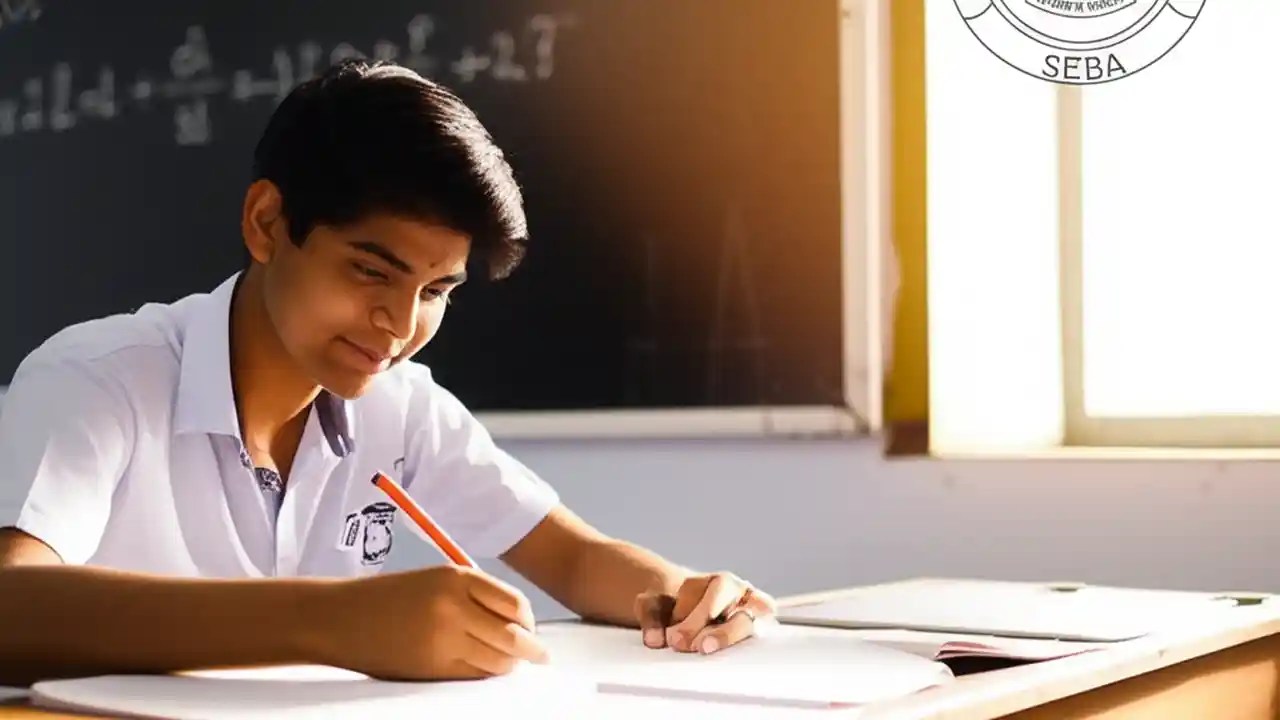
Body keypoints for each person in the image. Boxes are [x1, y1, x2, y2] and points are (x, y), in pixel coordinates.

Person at [0, 59, 776, 687]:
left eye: (436, 291)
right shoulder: (98, 379)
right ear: (267, 223)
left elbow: (570, 556)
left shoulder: (399, 407)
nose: (401, 327)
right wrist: (337, 622)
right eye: (372, 272)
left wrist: (684, 599)